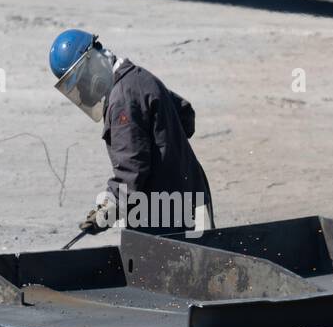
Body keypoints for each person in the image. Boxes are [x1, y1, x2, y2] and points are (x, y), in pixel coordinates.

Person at [49, 29, 214, 238]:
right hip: (183, 196)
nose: (82, 92)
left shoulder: (121, 100)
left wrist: (109, 210)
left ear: (93, 63)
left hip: (161, 210)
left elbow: (131, 168)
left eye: (81, 81)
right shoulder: (138, 77)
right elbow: (185, 114)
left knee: (157, 266)